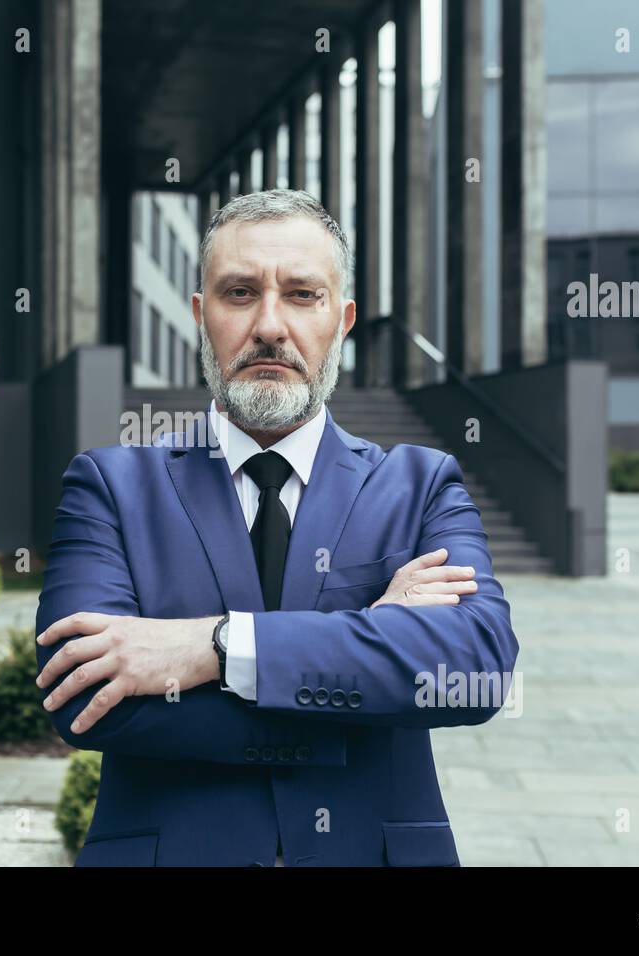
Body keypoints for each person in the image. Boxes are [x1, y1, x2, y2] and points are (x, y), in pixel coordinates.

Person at [35, 189, 519, 866]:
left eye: (301, 295)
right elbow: (85, 696)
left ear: (341, 321)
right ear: (201, 316)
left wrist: (218, 646)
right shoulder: (112, 486)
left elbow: (473, 666)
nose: (269, 325)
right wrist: (368, 655)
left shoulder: (420, 484)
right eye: (239, 293)